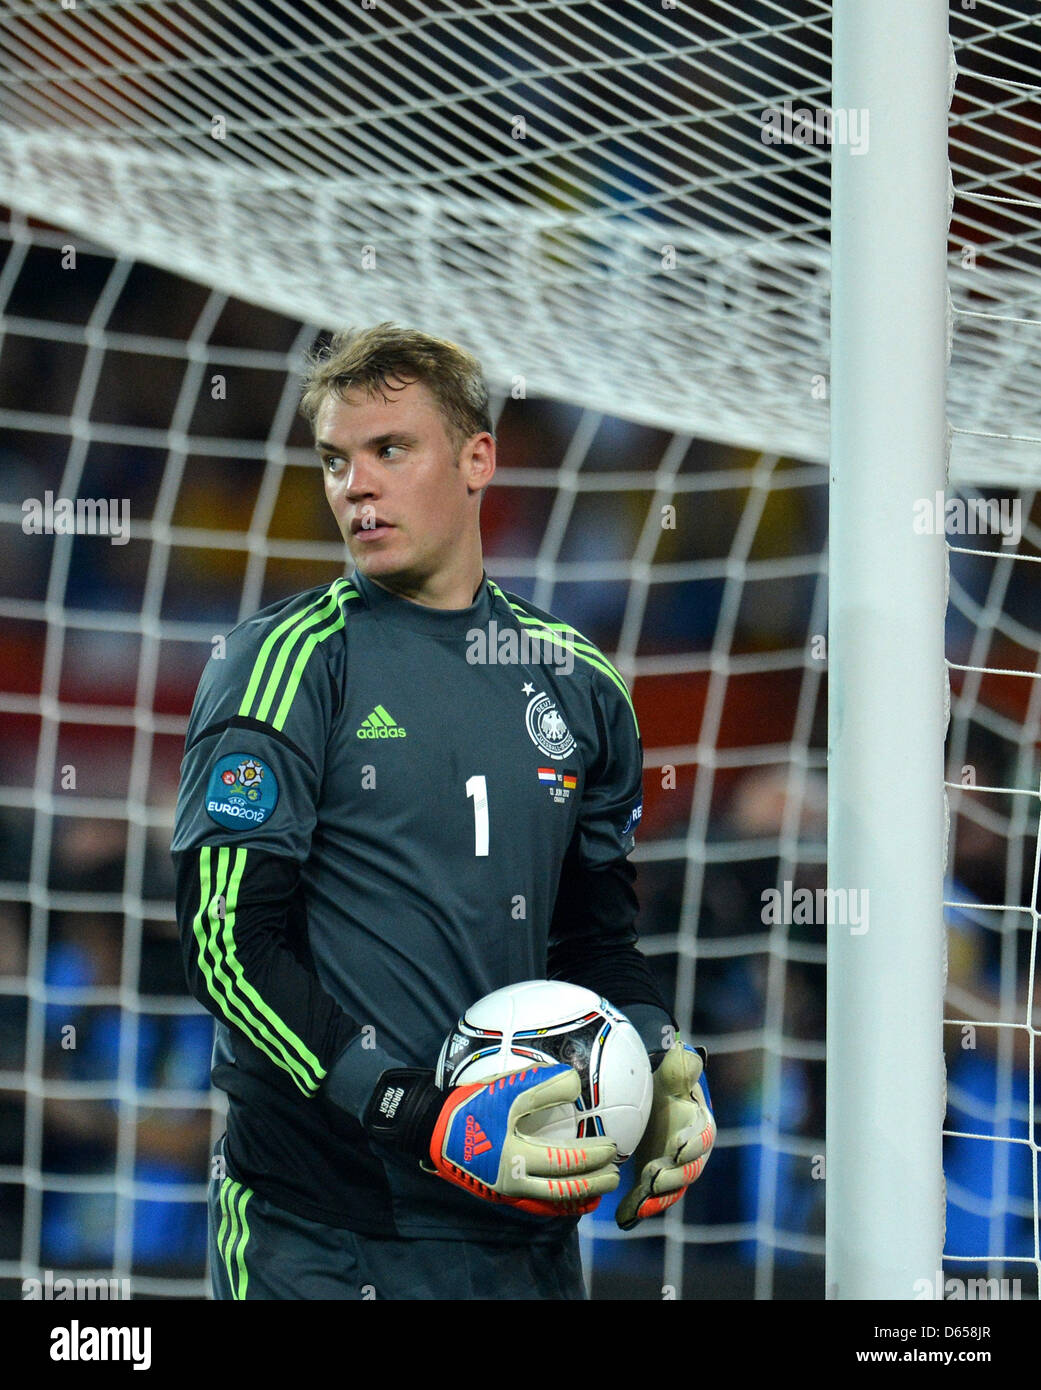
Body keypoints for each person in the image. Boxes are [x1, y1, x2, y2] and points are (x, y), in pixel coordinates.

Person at [171, 323, 714, 1300]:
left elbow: (593, 941)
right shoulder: (282, 669)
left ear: (476, 459)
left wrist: (660, 1054)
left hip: (524, 1236)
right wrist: (419, 1114)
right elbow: (227, 945)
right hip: (322, 1236)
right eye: (336, 460)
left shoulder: (580, 684)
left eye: (389, 450)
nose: (355, 487)